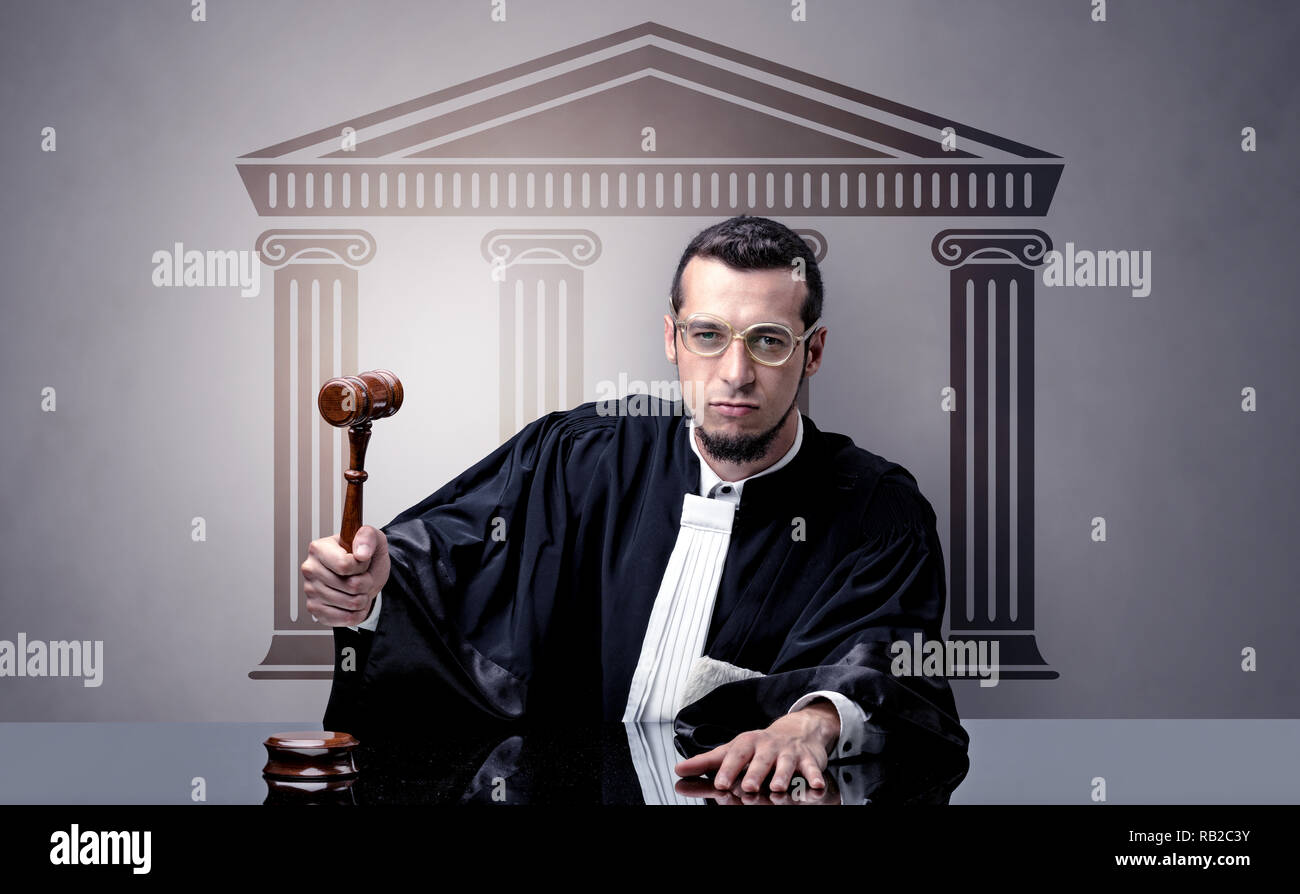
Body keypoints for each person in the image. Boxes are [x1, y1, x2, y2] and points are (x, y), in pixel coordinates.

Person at [301, 215, 968, 796]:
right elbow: (448, 562)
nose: (735, 374)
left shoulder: (876, 513)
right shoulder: (577, 458)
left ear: (812, 351)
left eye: (767, 340)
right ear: (672, 340)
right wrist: (375, 583)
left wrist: (812, 722)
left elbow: (892, 663)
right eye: (707, 335)